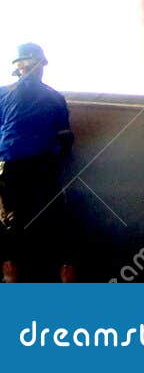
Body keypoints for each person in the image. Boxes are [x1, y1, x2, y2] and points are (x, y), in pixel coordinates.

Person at [0, 44, 73, 281]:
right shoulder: (55, 98)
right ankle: (65, 273)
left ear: (18, 68)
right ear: (41, 66)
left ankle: (11, 274)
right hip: (44, 167)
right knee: (56, 221)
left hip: (13, 165)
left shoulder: (3, 94)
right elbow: (65, 139)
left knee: (10, 221)